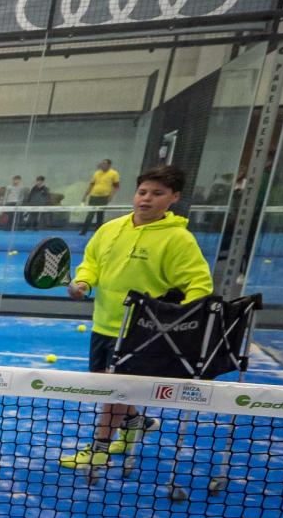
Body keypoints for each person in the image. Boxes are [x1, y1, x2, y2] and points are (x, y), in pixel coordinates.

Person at [59, 163, 212, 471]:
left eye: (158, 194)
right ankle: (135, 422)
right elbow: (91, 263)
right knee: (105, 385)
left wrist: (175, 318)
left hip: (141, 332)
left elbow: (200, 285)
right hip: (104, 323)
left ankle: (100, 448)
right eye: (142, 192)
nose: (147, 199)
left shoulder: (178, 240)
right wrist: (84, 282)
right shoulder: (110, 229)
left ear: (174, 198)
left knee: (115, 390)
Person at [80, 158, 120, 233]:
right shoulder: (97, 173)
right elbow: (91, 185)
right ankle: (83, 231)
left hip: (104, 196)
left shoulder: (114, 173)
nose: (103, 165)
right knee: (90, 214)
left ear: (109, 165)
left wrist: (111, 196)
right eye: (102, 163)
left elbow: (116, 186)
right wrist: (85, 196)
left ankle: (98, 231)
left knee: (100, 214)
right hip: (94, 195)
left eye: (105, 163)